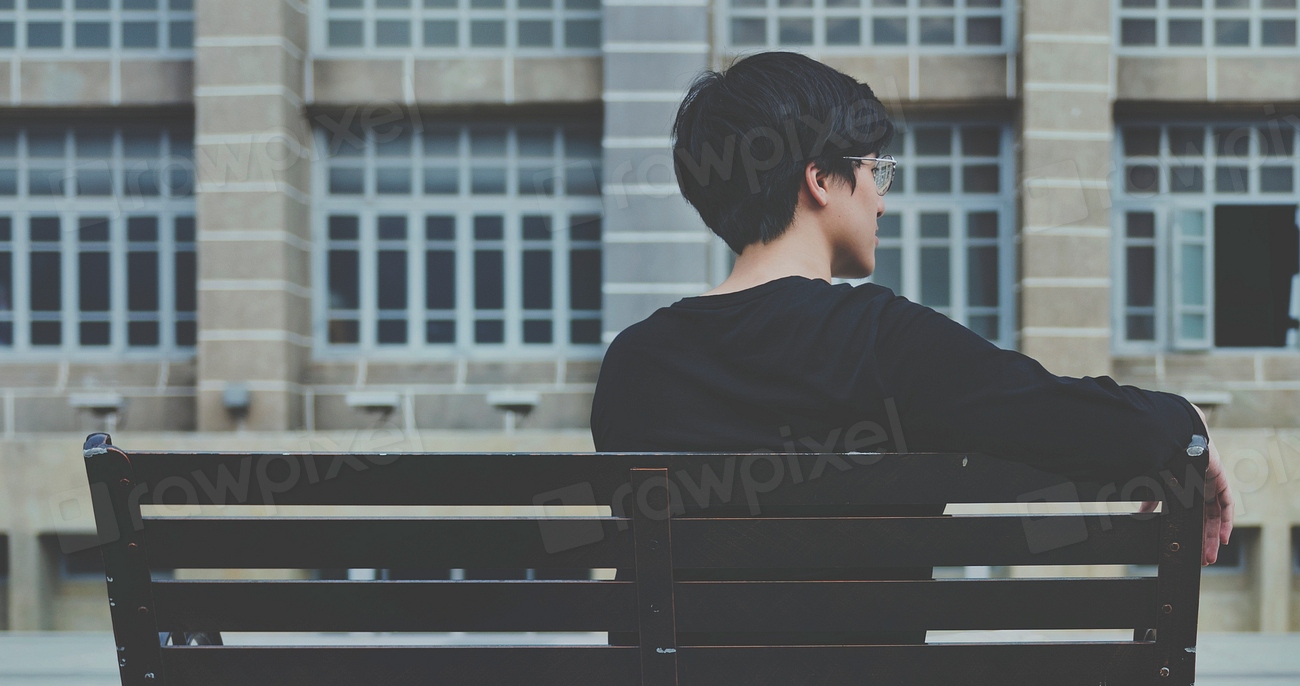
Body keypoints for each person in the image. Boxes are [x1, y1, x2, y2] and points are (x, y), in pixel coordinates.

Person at [589, 51, 1234, 644]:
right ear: (820, 180)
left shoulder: (634, 365)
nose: (882, 202)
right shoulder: (880, 338)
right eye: (877, 172)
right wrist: (1189, 427)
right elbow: (1062, 418)